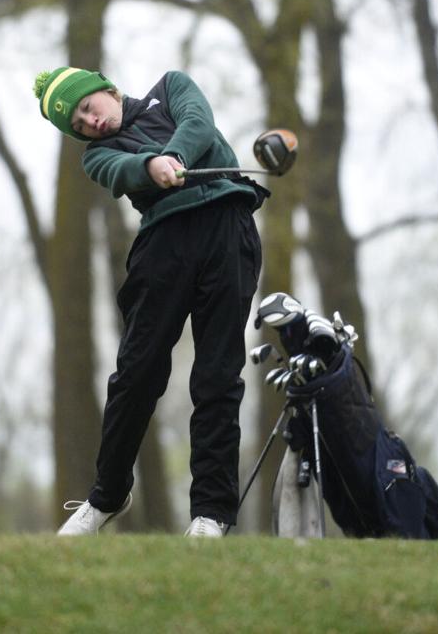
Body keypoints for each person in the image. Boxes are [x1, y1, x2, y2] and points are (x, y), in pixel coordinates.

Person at [33, 67, 266, 537]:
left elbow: (197, 120)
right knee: (136, 375)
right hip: (164, 244)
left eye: (87, 107)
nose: (89, 122)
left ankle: (211, 514)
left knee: (217, 375)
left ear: (109, 90)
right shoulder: (98, 155)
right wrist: (149, 167)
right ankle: (107, 495)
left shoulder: (171, 89)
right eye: (77, 124)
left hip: (229, 228)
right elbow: (119, 170)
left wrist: (174, 153)